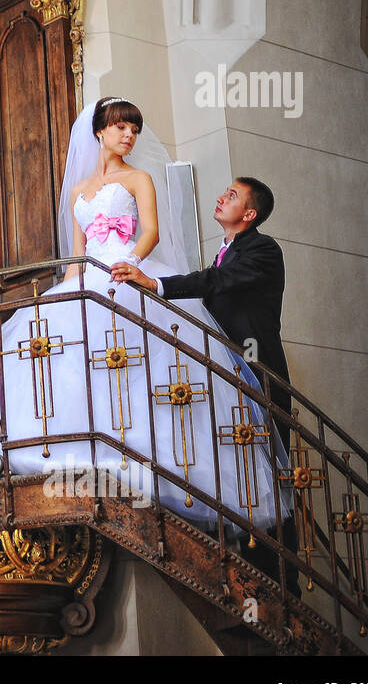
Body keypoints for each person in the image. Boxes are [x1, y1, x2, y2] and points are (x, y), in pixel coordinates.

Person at [0, 98, 294, 555]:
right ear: (100, 132)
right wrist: (62, 294)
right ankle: (71, 451)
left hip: (128, 269)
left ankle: (151, 466)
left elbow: (150, 233)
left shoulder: (139, 178)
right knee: (64, 352)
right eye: (121, 127)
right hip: (89, 275)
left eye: (134, 129)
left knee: (144, 367)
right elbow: (77, 251)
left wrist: (130, 267)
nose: (128, 135)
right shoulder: (78, 190)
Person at [111, 175, 301, 593]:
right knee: (242, 466)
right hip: (231, 373)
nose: (221, 197)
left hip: (259, 371)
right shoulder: (227, 250)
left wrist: (156, 283)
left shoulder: (263, 250)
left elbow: (215, 282)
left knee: (270, 470)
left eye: (232, 196)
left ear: (249, 215)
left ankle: (283, 585)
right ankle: (248, 566)